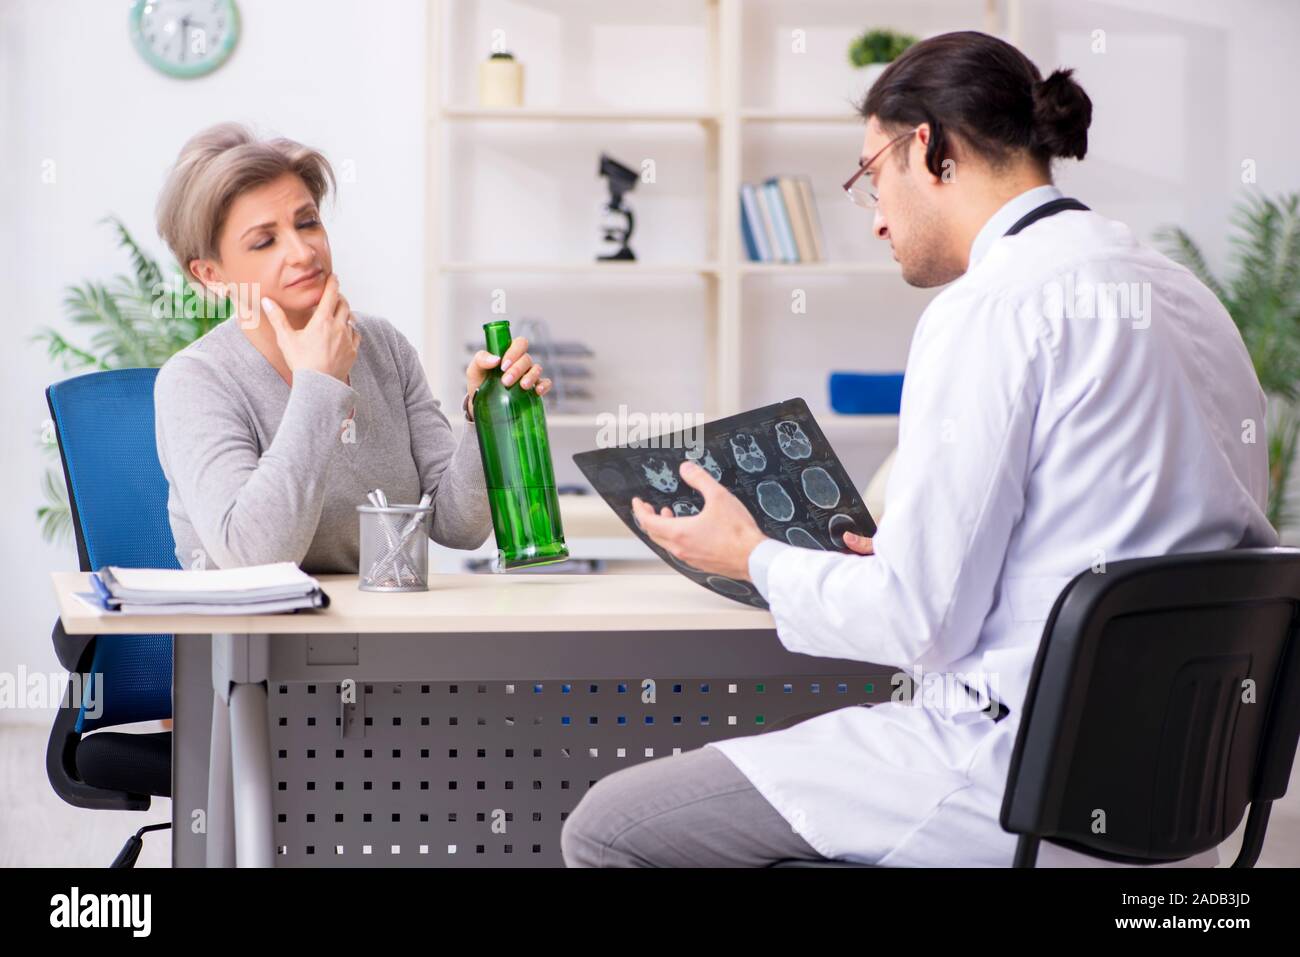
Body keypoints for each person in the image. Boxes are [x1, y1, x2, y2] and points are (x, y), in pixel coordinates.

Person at [560, 31, 1276, 867]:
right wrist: (902, 553)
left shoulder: (992, 307)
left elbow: (920, 621)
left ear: (926, 146)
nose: (874, 219)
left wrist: (751, 556)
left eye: (871, 176)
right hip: (1177, 806)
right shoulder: (1183, 293)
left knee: (609, 826)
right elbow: (1122, 542)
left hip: (1011, 788)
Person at [152, 122, 552, 572]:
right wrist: (318, 384)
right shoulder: (197, 379)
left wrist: (487, 416)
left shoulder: (383, 347)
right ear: (211, 274)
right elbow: (251, 557)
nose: (303, 252)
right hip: (259, 639)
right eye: (265, 241)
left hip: (382, 629)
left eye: (308, 223)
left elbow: (457, 526)